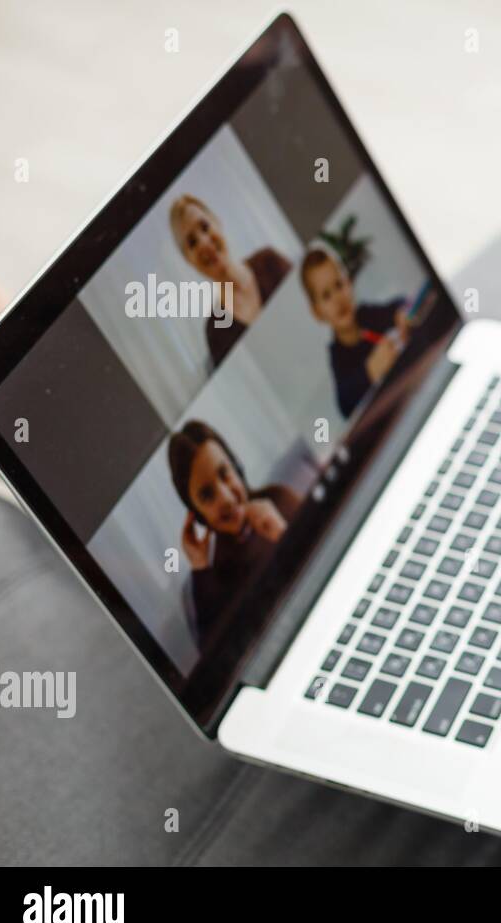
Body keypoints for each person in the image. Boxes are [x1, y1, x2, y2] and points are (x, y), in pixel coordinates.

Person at [167, 420, 300, 643]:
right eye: (207, 495)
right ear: (197, 515)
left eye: (224, 473)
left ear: (236, 467)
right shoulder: (217, 574)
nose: (226, 498)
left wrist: (282, 534)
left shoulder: (280, 499)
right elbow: (221, 651)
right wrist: (200, 567)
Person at [168, 194, 291, 367]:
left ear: (217, 222)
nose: (204, 242)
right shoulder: (216, 331)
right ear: (188, 260)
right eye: (192, 242)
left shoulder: (270, 262)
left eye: (205, 227)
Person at [299, 245, 415, 417]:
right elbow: (344, 404)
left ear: (349, 283)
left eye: (339, 285)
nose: (338, 298)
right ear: (317, 312)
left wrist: (402, 313)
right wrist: (370, 371)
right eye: (326, 295)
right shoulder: (338, 356)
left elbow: (401, 304)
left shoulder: (367, 315)